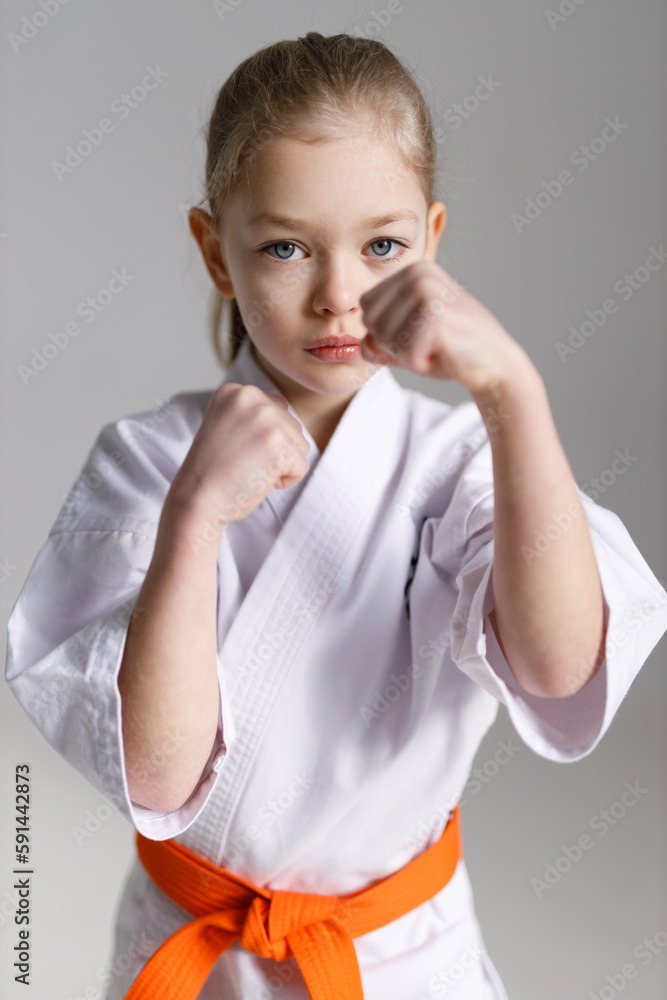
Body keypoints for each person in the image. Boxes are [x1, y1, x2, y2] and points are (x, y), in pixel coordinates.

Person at [5, 31, 667, 1000]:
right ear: (214, 251)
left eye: (382, 245)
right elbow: (156, 773)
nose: (338, 295)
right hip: (198, 947)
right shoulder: (147, 464)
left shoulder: (462, 466)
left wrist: (512, 393)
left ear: (433, 238)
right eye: (284, 246)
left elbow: (560, 664)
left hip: (397, 955)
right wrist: (194, 514)